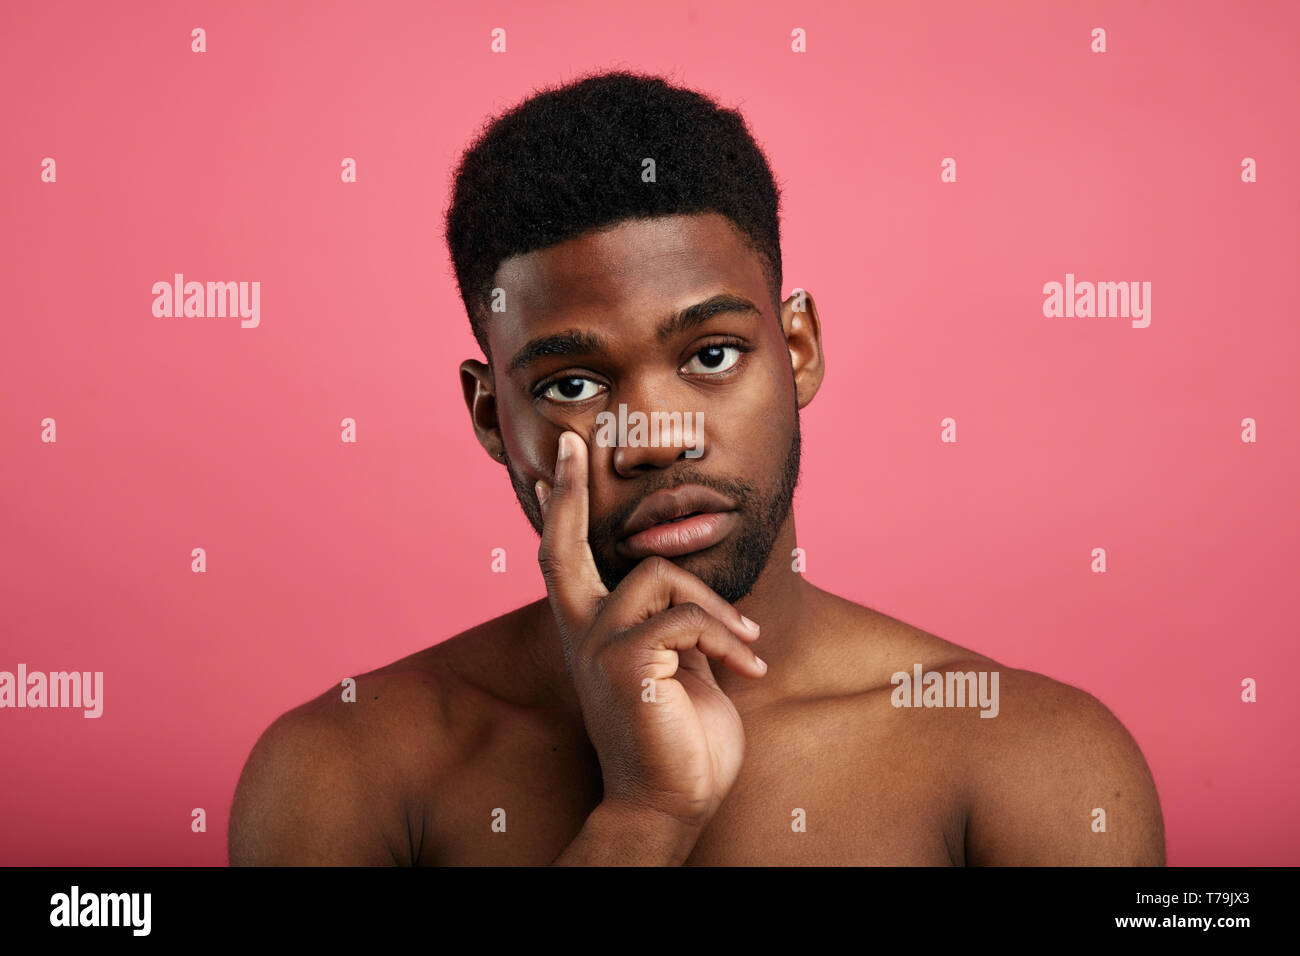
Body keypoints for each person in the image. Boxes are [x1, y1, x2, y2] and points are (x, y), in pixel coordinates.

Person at [228, 70, 1165, 865]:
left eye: (712, 355)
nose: (655, 435)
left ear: (796, 350)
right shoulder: (343, 769)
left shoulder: (1030, 759)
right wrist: (641, 822)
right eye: (574, 383)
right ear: (489, 415)